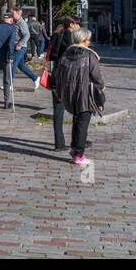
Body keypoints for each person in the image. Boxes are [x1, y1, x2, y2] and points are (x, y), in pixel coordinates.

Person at [54, 28, 104, 165]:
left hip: (68, 92)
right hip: (84, 93)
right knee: (82, 123)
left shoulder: (65, 54)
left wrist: (59, 93)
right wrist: (102, 86)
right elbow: (96, 75)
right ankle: (79, 154)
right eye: (88, 39)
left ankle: (74, 148)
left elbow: (58, 76)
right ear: (83, 40)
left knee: (77, 120)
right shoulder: (89, 55)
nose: (89, 42)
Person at [47, 17, 80, 149]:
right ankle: (77, 140)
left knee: (58, 111)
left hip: (56, 75)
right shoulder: (70, 38)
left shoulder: (56, 36)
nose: (79, 26)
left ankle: (59, 143)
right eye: (77, 23)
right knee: (78, 109)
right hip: (68, 78)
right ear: (71, 25)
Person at [11, 7, 37, 86]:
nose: (12, 15)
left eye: (13, 13)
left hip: (21, 47)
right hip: (17, 46)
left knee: (13, 64)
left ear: (18, 13)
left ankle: (9, 84)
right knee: (21, 66)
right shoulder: (16, 22)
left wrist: (19, 44)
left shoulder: (21, 23)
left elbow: (27, 35)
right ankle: (35, 78)